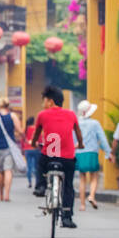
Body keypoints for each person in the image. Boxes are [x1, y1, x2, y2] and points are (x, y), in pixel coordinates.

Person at [32, 85, 84, 228]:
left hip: (49, 156)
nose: (43, 104)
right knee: (68, 185)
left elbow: (37, 133)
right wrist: (80, 143)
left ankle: (41, 186)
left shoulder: (42, 115)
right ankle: (67, 216)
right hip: (67, 158)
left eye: (44, 100)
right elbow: (78, 132)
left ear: (50, 101)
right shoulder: (71, 115)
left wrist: (33, 142)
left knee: (40, 163)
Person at [74, 100, 111, 210]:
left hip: (79, 153)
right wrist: (108, 152)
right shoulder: (95, 123)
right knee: (94, 176)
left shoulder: (76, 123)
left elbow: (73, 139)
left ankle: (82, 204)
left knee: (82, 178)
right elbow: (102, 139)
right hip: (92, 152)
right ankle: (91, 196)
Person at [0, 97, 22, 203]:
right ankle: (7, 194)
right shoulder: (13, 116)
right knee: (8, 170)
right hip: (9, 147)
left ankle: (1, 194)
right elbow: (20, 131)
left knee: (0, 171)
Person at [22, 115, 39, 190]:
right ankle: (36, 182)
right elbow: (40, 138)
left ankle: (29, 182)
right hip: (35, 149)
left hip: (27, 150)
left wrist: (22, 149)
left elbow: (22, 140)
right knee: (36, 167)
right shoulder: (36, 129)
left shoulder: (25, 130)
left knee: (29, 167)